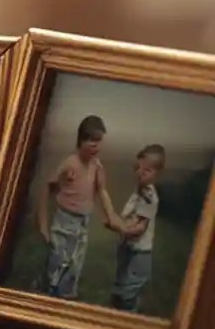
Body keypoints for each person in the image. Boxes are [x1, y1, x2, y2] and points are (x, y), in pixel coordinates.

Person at [35, 115, 124, 298]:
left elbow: (102, 191)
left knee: (75, 263)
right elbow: (49, 187)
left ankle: (66, 295)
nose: (95, 146)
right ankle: (46, 291)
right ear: (80, 140)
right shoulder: (70, 163)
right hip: (64, 220)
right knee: (58, 259)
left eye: (99, 141)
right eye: (91, 140)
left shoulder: (97, 166)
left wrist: (111, 214)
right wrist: (43, 223)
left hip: (83, 222)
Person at [107, 144, 165, 312]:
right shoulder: (139, 190)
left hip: (139, 253)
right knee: (119, 285)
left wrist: (120, 228)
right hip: (128, 247)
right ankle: (114, 311)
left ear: (157, 174)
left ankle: (127, 319)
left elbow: (140, 227)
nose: (140, 173)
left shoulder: (149, 197)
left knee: (128, 293)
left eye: (147, 171)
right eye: (138, 168)